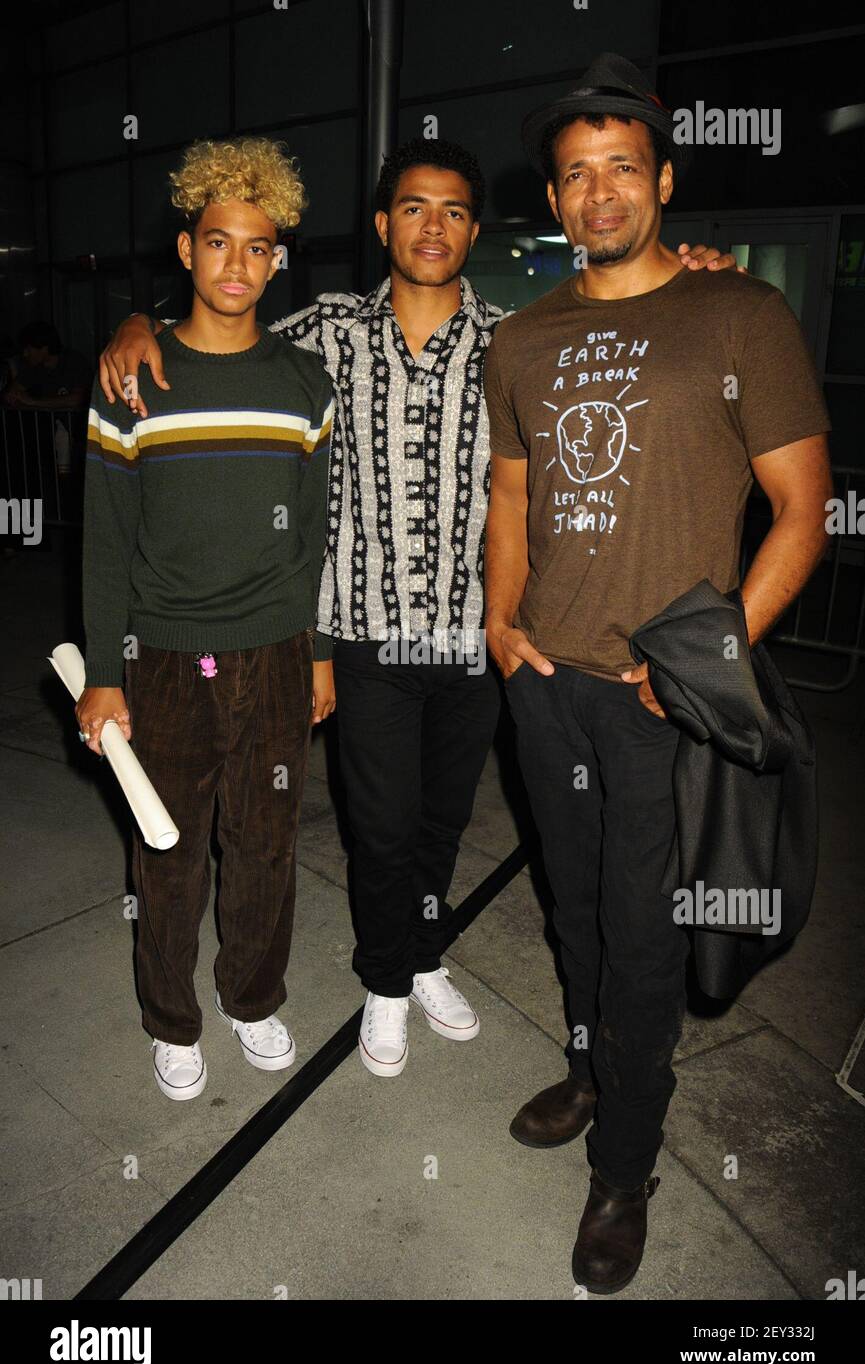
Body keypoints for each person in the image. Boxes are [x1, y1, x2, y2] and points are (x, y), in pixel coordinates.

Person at [98, 138, 736, 1082]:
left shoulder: (520, 340)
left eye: (450, 211)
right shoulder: (323, 334)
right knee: (381, 825)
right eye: (410, 207)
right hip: (360, 632)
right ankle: (383, 984)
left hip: (479, 634)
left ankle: (423, 954)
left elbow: (631, 327)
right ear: (382, 223)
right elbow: (221, 320)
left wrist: (696, 274)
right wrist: (134, 323)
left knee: (442, 825)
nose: (430, 226)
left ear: (473, 229)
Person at [483, 52, 832, 1294]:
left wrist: (710, 655)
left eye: (621, 167)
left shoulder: (737, 314)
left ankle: (626, 1163)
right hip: (545, 686)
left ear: (664, 180)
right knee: (570, 913)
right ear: (556, 196)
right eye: (575, 174)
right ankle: (591, 1070)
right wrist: (496, 616)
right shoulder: (522, 337)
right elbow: (512, 491)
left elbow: (803, 509)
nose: (598, 192)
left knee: (640, 936)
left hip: (657, 697)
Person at [77, 137, 335, 1100]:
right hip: (165, 658)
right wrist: (107, 670)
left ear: (278, 259)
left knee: (266, 841)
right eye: (218, 241)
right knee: (167, 849)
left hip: (273, 653)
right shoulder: (129, 381)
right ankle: (171, 1020)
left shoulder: (306, 386)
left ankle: (252, 998)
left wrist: (316, 654)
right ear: (185, 249)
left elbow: (309, 536)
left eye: (258, 246)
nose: (238, 263)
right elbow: (103, 543)